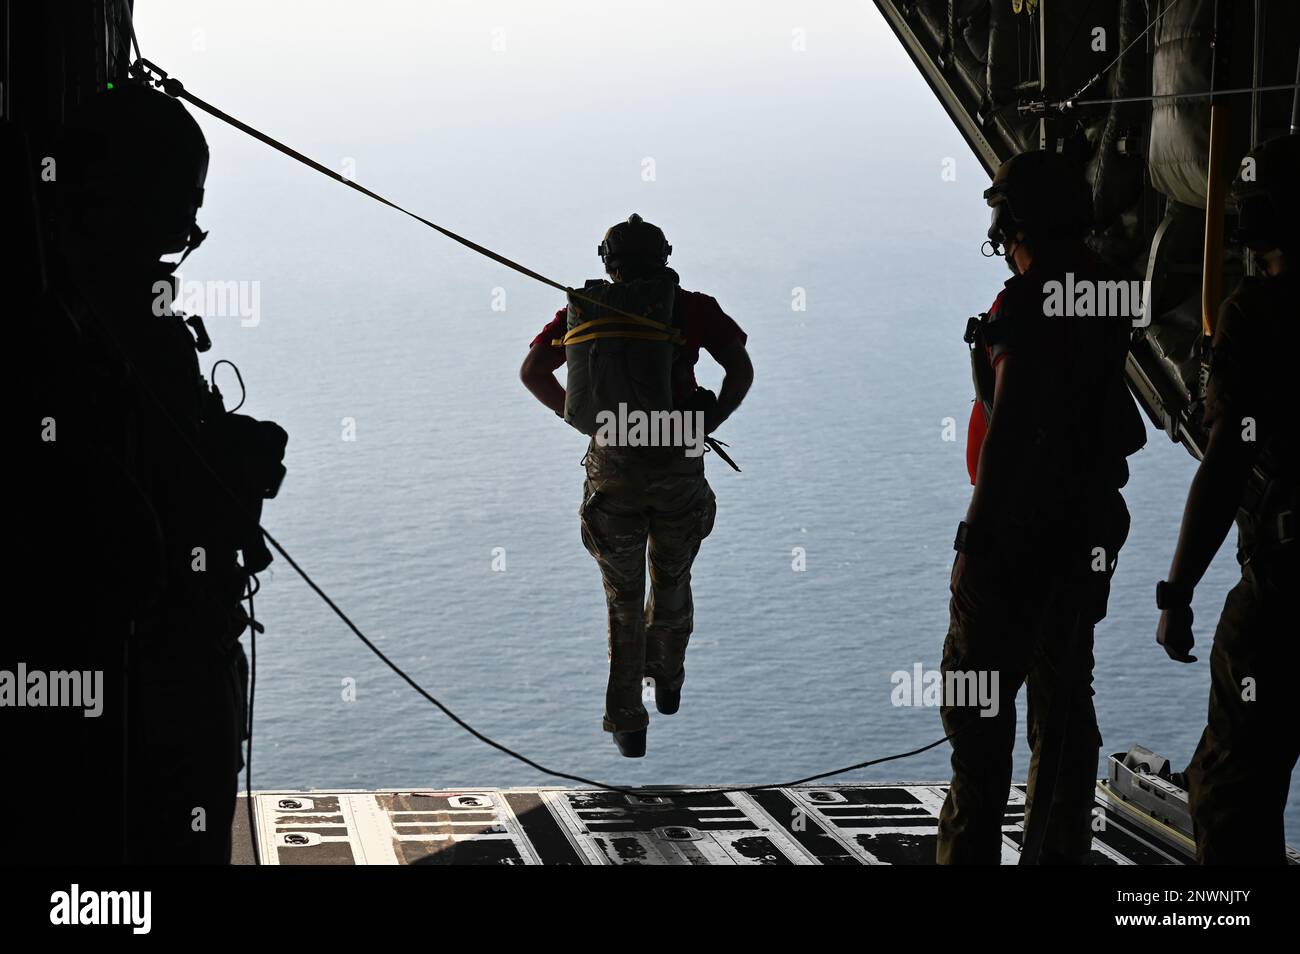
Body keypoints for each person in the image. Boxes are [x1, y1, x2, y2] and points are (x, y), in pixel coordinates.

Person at [38, 83, 286, 863]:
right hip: (161, 657)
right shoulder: (119, 332)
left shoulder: (64, 307)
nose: (189, 228)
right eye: (183, 204)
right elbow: (168, 502)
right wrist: (243, 461)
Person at [939, 152, 1146, 864]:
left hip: (1016, 540)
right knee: (1062, 707)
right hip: (1083, 533)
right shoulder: (1105, 291)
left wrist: (974, 543)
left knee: (976, 723)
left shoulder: (1025, 304)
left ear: (1012, 218)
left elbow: (1012, 433)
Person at [520, 214, 752, 757]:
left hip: (612, 473)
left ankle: (628, 722)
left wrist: (588, 422)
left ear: (608, 262)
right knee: (672, 580)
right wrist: (707, 422)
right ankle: (667, 679)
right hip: (677, 465)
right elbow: (739, 369)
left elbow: (533, 372)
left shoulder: (582, 308)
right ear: (665, 256)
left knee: (622, 599)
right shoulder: (694, 308)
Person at [1156, 132, 1299, 865]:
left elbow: (1225, 464)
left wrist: (1176, 591)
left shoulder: (1258, 313)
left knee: (1232, 794)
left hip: (1286, 596)